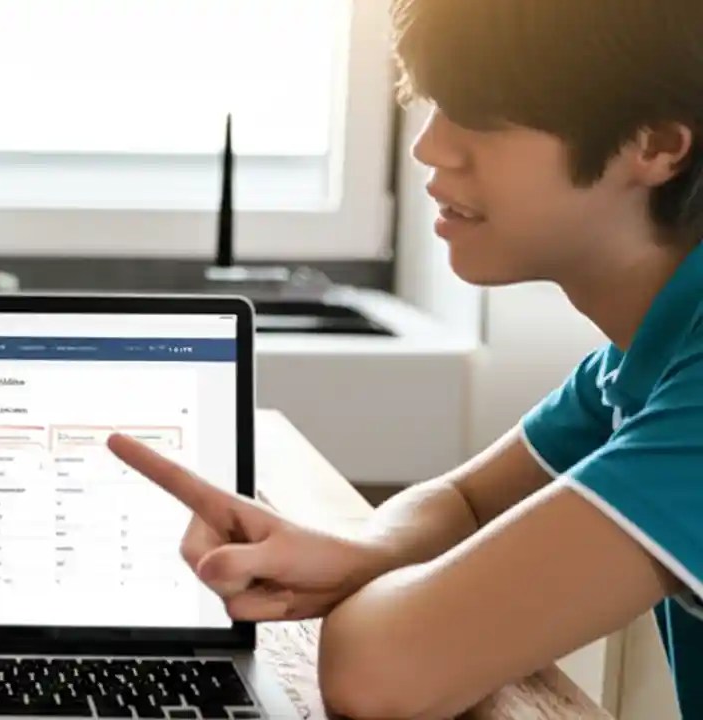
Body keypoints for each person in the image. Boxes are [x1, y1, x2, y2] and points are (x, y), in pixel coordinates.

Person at [109, 0, 703, 717]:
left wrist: (365, 588)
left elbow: (381, 674)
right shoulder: (643, 354)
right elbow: (467, 500)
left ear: (656, 145)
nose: (430, 147)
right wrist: (363, 553)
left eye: (480, 115)